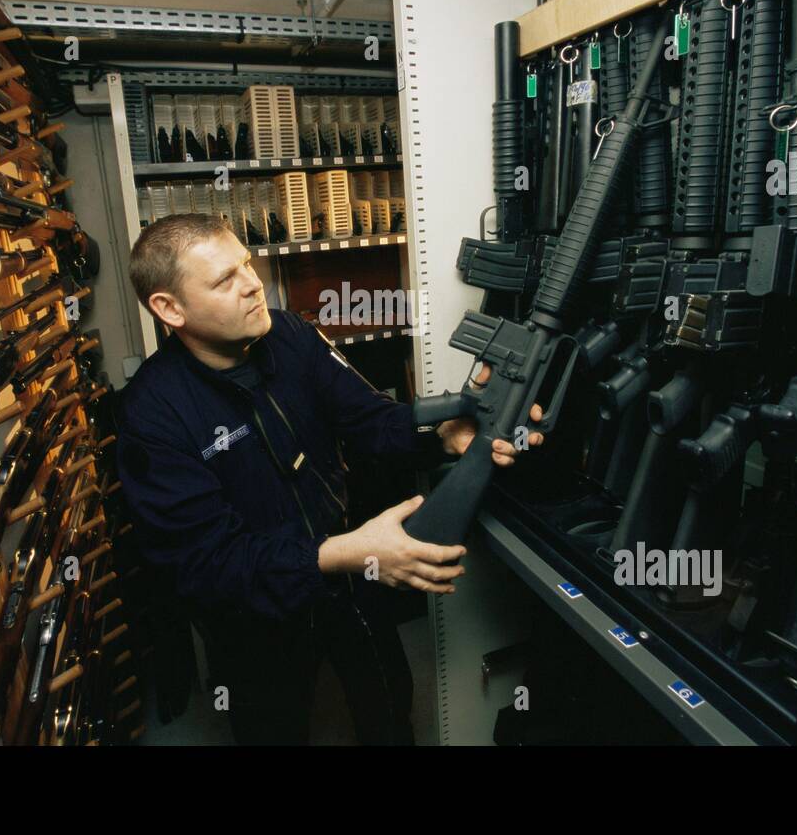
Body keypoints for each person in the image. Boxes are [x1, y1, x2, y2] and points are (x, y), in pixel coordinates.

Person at [117, 213, 542, 744]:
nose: (253, 284)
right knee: (274, 729)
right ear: (169, 308)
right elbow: (209, 562)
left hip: (349, 574)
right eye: (225, 279)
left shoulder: (290, 334)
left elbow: (370, 421)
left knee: (388, 712)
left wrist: (444, 437)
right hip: (255, 616)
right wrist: (339, 553)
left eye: (247, 264)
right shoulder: (152, 416)